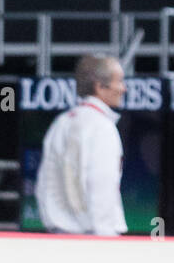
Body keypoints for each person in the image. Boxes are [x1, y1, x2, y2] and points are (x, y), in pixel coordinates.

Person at [35, 55, 128, 236]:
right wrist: (105, 234)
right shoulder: (102, 127)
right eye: (120, 81)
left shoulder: (61, 122)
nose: (123, 88)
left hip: (58, 234)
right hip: (93, 238)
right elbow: (101, 184)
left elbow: (42, 185)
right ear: (100, 87)